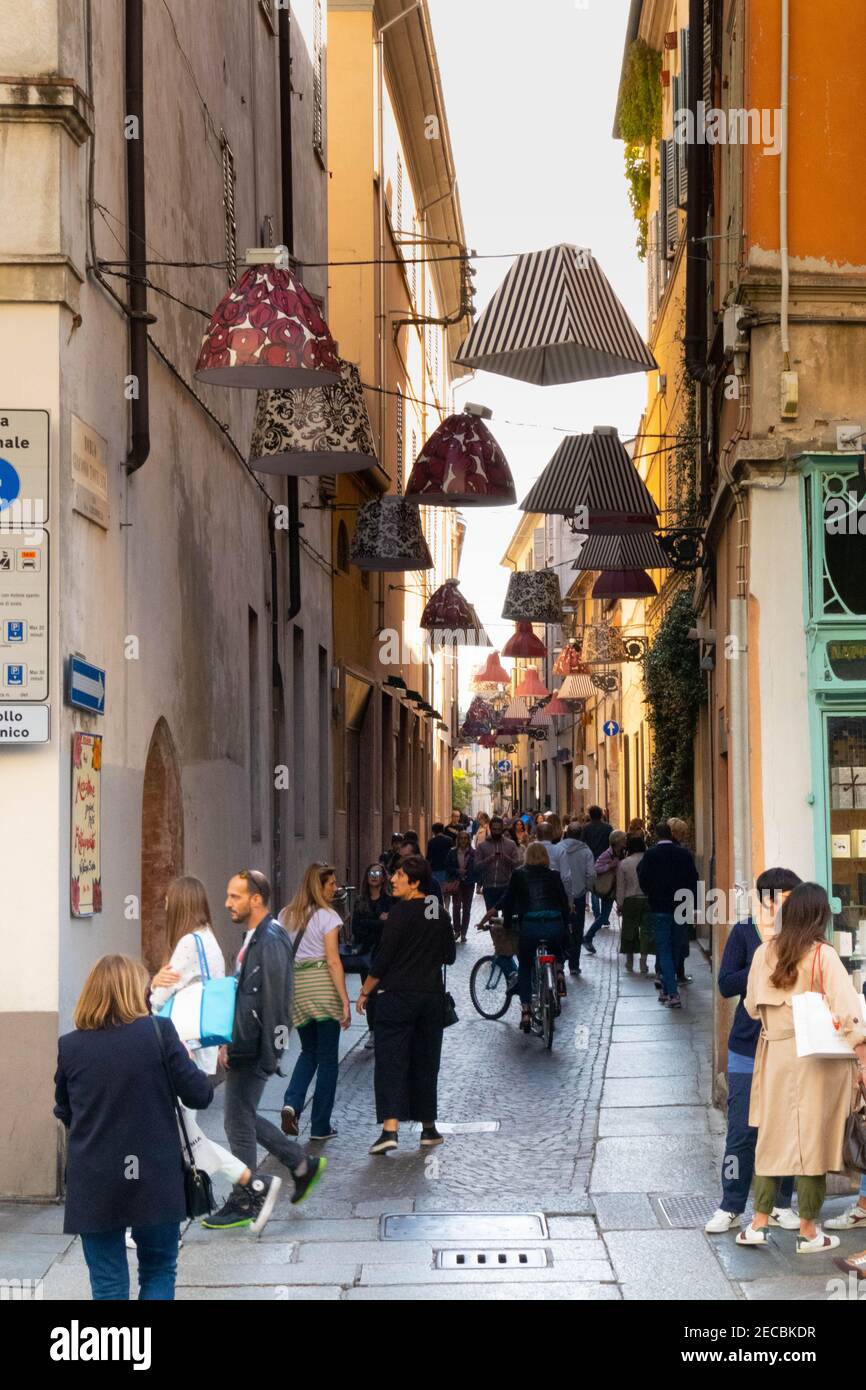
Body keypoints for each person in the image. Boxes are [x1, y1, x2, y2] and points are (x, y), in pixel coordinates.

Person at [54, 955, 213, 1300]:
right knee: (158, 1270)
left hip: (94, 1179)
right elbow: (200, 1094)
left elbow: (65, 1111)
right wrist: (183, 1059)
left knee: (108, 1286)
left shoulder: (70, 1046)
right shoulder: (159, 1033)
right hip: (155, 1175)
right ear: (134, 991)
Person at [737, 882, 866, 1253]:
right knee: (813, 1140)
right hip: (817, 1060)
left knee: (772, 1137)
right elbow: (848, 1012)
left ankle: (759, 1223)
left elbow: (749, 1007)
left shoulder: (763, 953)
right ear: (819, 915)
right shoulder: (824, 955)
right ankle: (809, 1231)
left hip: (774, 1055)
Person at [149, 876, 281, 1234]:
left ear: (179, 905)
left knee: (178, 1134)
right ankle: (251, 1185)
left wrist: (153, 984)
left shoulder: (186, 945)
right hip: (200, 1048)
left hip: (182, 1050)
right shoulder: (208, 938)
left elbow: (158, 1000)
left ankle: (249, 1186)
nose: (163, 907)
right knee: (185, 1135)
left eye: (167, 901)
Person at [205, 870, 325, 1229]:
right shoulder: (255, 937)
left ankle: (249, 1197)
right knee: (240, 1117)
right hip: (244, 1042)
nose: (227, 903)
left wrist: (272, 1053)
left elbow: (277, 1001)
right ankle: (300, 1165)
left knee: (236, 1121)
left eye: (235, 896)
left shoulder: (270, 940)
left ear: (256, 899)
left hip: (255, 1047)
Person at [704, 867, 802, 1236]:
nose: (787, 906)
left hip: (789, 1047)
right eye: (782, 899)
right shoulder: (744, 933)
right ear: (766, 899)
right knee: (742, 1131)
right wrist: (762, 963)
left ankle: (780, 1204)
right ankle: (730, 1206)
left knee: (786, 1128)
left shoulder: (801, 938)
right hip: (747, 1046)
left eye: (793, 899)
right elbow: (726, 984)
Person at [357, 855, 456, 1154]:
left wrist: (364, 992)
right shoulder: (435, 911)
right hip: (429, 999)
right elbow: (449, 956)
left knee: (391, 1062)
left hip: (396, 998)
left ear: (414, 882)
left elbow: (383, 959)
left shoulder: (399, 913)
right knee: (425, 1063)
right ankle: (428, 1128)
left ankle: (390, 1130)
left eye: (399, 875)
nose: (393, 879)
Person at [279, 864, 351, 1143]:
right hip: (322, 987)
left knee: (308, 1051)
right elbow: (333, 961)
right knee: (328, 1059)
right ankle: (320, 1125)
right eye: (331, 884)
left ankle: (292, 1103)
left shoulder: (286, 915)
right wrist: (344, 1000)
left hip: (299, 988)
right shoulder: (328, 917)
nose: (335, 888)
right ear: (317, 887)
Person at [481, 842, 570, 1032]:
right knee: (556, 947)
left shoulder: (519, 874)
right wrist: (567, 924)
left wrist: (496, 917)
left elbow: (508, 900)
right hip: (554, 924)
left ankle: (527, 1011)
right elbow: (563, 903)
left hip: (530, 926)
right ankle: (560, 972)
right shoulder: (554, 875)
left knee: (526, 966)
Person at [637, 825, 699, 1007]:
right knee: (675, 947)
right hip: (681, 907)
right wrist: (695, 906)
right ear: (671, 834)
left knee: (663, 949)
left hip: (659, 907)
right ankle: (667, 988)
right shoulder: (684, 854)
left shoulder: (650, 855)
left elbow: (643, 878)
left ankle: (672, 993)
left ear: (656, 835)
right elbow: (694, 880)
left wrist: (651, 894)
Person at [474, 815, 520, 985]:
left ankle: (507, 946)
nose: (496, 832)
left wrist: (504, 858)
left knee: (507, 919)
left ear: (502, 829)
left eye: (499, 830)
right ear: (490, 829)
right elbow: (477, 866)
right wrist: (490, 859)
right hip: (489, 887)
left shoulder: (510, 845)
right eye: (494, 829)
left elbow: (516, 864)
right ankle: (497, 946)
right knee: (492, 918)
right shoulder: (482, 846)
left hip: (506, 886)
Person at [351, 863, 392, 1047]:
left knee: (384, 993)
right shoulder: (360, 901)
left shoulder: (390, 901)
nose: (374, 876)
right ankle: (373, 1031)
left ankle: (384, 1028)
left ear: (383, 877)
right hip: (366, 954)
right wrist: (379, 921)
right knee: (369, 993)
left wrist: (371, 923)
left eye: (378, 873)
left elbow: (390, 928)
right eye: (371, 872)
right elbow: (356, 929)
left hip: (384, 952)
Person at [560, 823, 596, 975]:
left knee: (561, 928)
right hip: (579, 895)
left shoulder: (559, 849)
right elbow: (591, 874)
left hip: (561, 895)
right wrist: (587, 887)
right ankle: (574, 965)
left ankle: (560, 961)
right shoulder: (586, 851)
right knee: (577, 929)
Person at [584, 831, 627, 953]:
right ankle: (587, 937)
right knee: (603, 917)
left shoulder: (622, 853)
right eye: (623, 839)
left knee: (624, 914)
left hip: (618, 888)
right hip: (609, 889)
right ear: (617, 841)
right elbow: (596, 868)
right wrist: (610, 866)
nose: (625, 841)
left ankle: (627, 943)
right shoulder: (607, 854)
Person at [616, 836, 649, 974]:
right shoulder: (648, 861)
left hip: (630, 899)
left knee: (629, 931)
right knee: (646, 931)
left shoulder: (624, 863)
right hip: (647, 899)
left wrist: (619, 903)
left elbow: (620, 886)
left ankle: (629, 961)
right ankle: (643, 960)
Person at [445, 829, 476, 942]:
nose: (463, 840)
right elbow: (447, 867)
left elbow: (476, 868)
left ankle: (464, 933)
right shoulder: (452, 852)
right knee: (456, 906)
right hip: (456, 883)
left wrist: (469, 874)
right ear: (458, 840)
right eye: (461, 838)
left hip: (469, 883)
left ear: (468, 840)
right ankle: (456, 930)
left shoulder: (473, 853)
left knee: (467, 908)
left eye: (465, 838)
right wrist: (457, 871)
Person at [426, 822, 455, 888]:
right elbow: (452, 854)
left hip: (435, 868)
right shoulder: (449, 840)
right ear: (443, 830)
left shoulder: (431, 841)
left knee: (437, 888)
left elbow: (428, 856)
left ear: (433, 831)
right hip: (447, 868)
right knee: (447, 890)